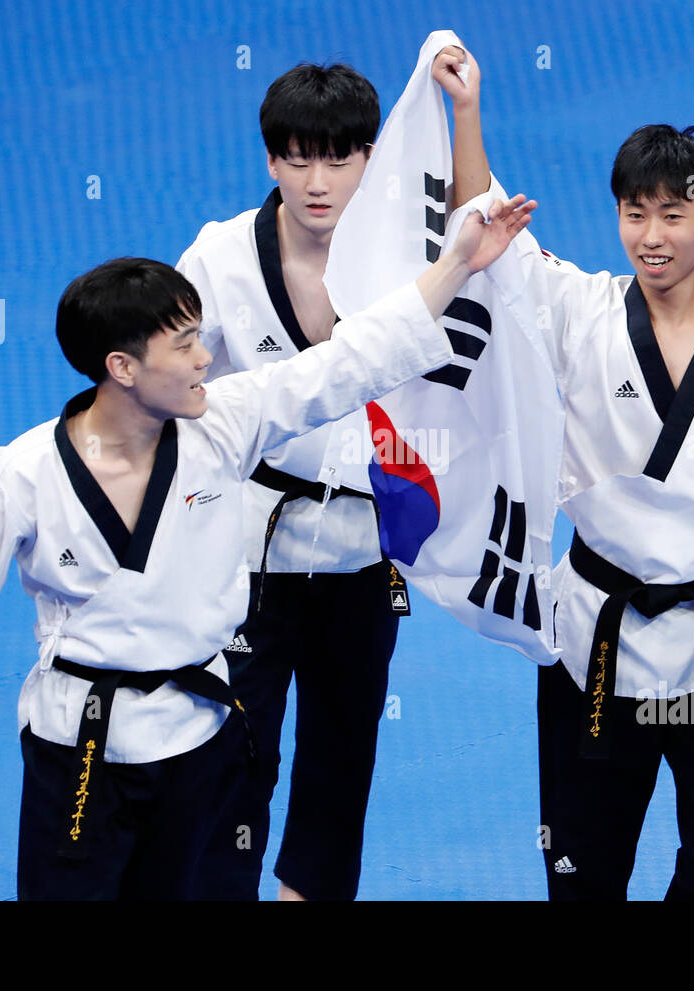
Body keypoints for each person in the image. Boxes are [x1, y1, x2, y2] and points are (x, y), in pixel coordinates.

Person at [0, 189, 535, 900]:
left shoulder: (225, 427)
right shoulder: (22, 472)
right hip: (79, 748)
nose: (208, 358)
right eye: (185, 345)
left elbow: (348, 362)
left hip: (195, 739)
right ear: (122, 367)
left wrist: (457, 262)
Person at [455, 113, 694, 898]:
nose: (651, 235)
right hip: (596, 641)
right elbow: (489, 228)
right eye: (634, 212)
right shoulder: (584, 311)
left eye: (673, 213)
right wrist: (466, 110)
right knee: (581, 866)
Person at [176, 46, 489, 901]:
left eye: (340, 157)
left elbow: (481, 234)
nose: (318, 180)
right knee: (233, 751)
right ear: (271, 159)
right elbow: (168, 383)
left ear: (369, 160)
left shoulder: (402, 256)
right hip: (249, 553)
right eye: (298, 157)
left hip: (365, 553)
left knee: (342, 757)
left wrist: (463, 112)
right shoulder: (219, 257)